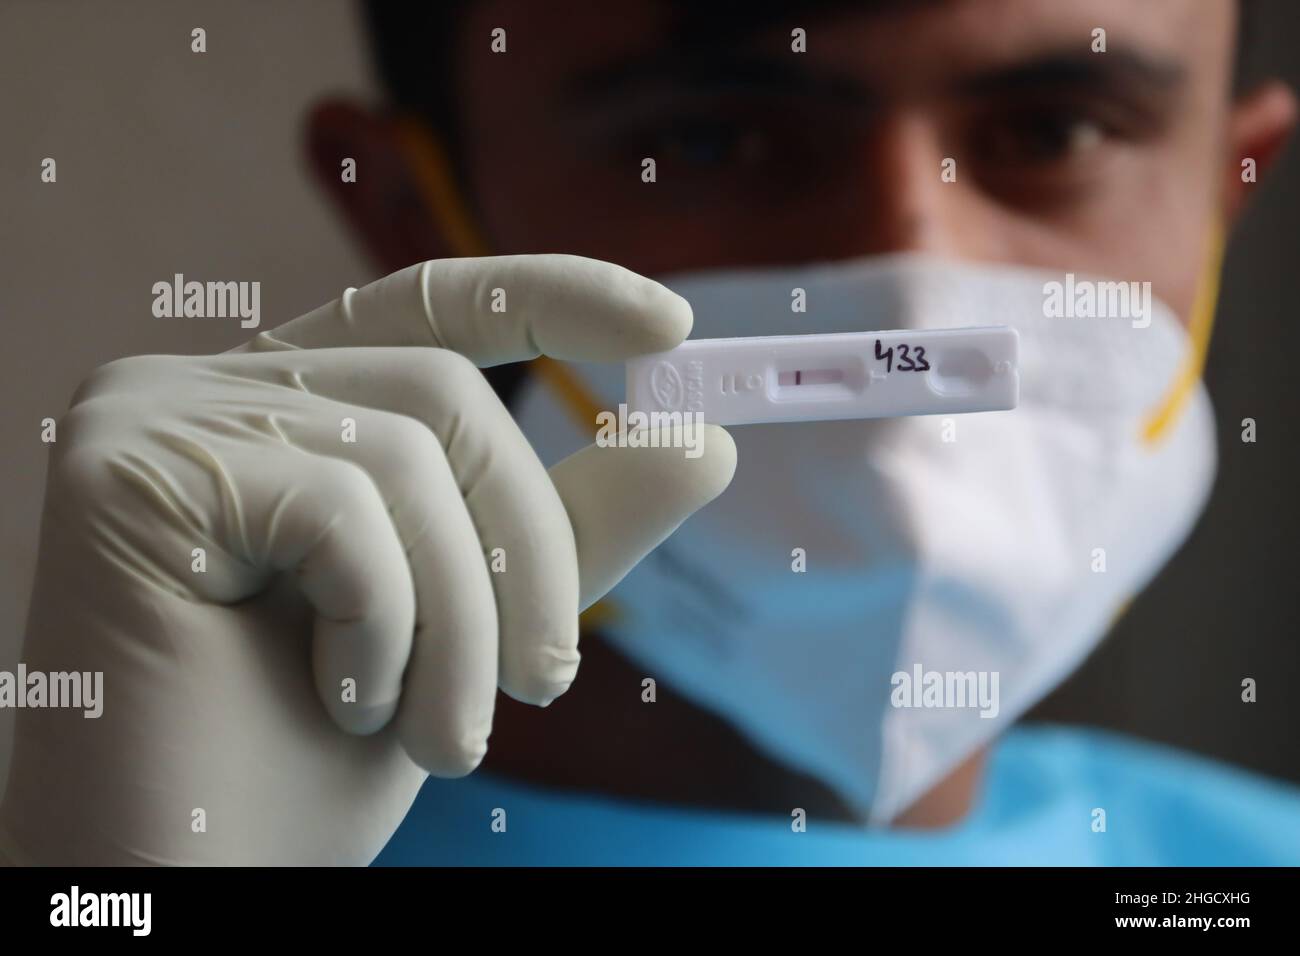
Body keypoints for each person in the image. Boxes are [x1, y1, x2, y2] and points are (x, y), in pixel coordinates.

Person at [2, 0, 1299, 865]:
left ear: (1225, 194)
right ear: (413, 215)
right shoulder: (146, 837)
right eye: (713, 137)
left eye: (1053, 130)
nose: (916, 268)